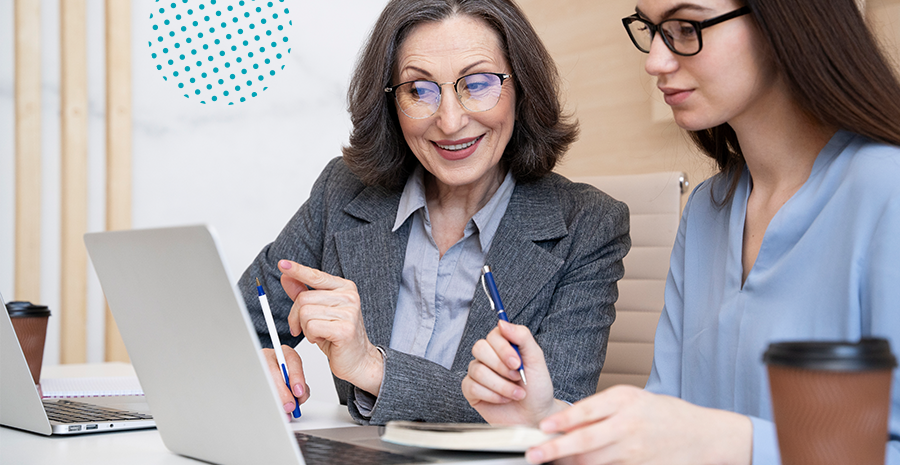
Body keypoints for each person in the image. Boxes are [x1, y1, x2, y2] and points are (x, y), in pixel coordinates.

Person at [461, 0, 900, 463]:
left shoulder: (886, 191)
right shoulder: (710, 211)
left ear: (786, 20)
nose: (655, 60)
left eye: (686, 28)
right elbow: (665, 426)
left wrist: (736, 443)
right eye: (651, 29)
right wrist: (544, 418)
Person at [238, 0, 630, 426]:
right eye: (419, 90)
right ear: (391, 103)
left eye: (477, 83)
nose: (449, 120)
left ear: (522, 88)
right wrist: (253, 363)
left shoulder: (588, 225)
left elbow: (553, 416)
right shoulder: (344, 190)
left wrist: (373, 368)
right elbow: (229, 324)